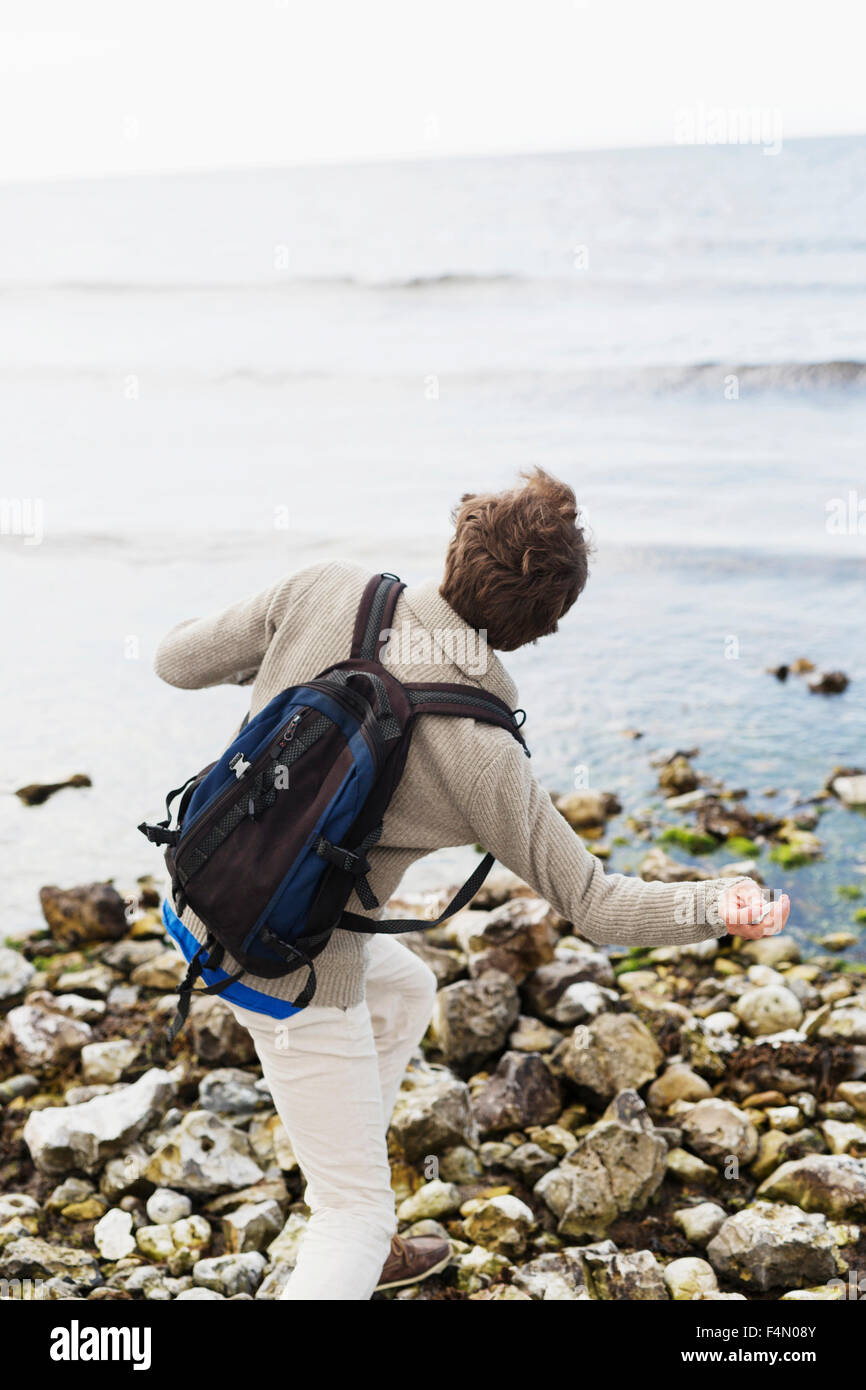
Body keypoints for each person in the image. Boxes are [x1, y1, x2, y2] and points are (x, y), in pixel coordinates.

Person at [153, 469, 790, 1300]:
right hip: (289, 970)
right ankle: (353, 1225)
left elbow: (174, 661)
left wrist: (280, 658)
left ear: (460, 536)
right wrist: (718, 902)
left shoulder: (327, 586)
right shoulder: (485, 750)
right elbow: (595, 905)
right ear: (542, 626)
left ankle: (340, 1163)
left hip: (195, 891)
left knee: (408, 991)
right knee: (356, 1217)